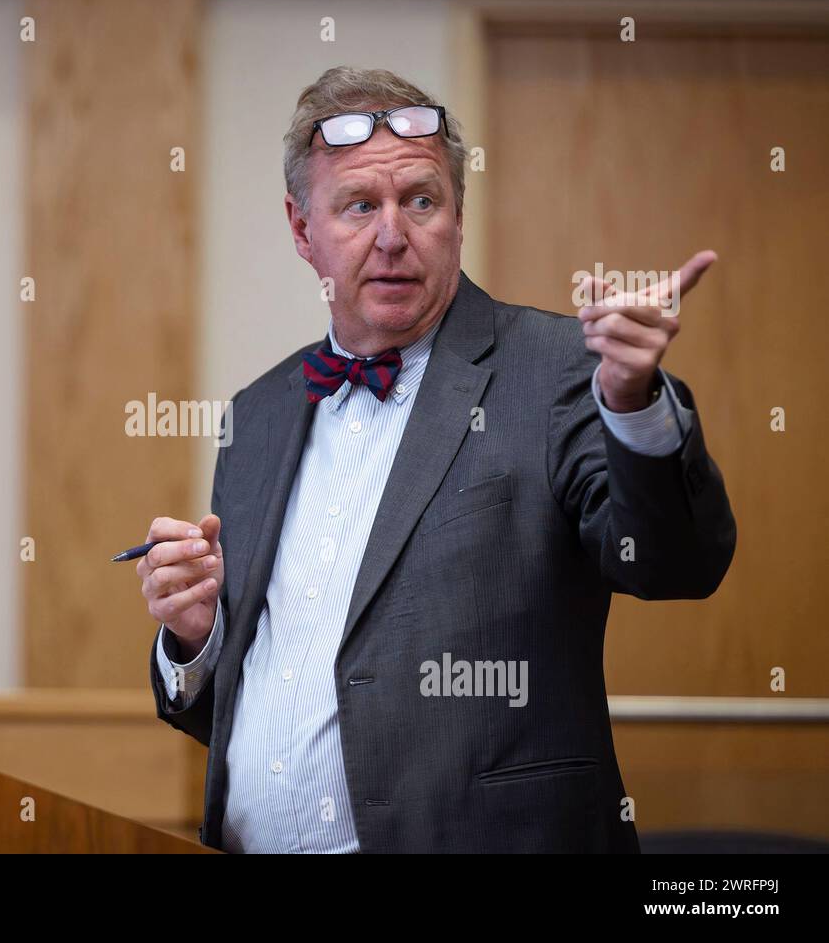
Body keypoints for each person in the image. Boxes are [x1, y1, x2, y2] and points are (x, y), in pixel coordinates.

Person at [138, 66, 736, 853]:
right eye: (359, 206)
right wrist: (194, 640)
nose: (393, 234)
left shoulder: (558, 369)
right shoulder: (260, 411)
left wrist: (632, 403)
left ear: (458, 214)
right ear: (300, 228)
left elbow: (676, 563)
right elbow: (258, 692)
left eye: (420, 200)